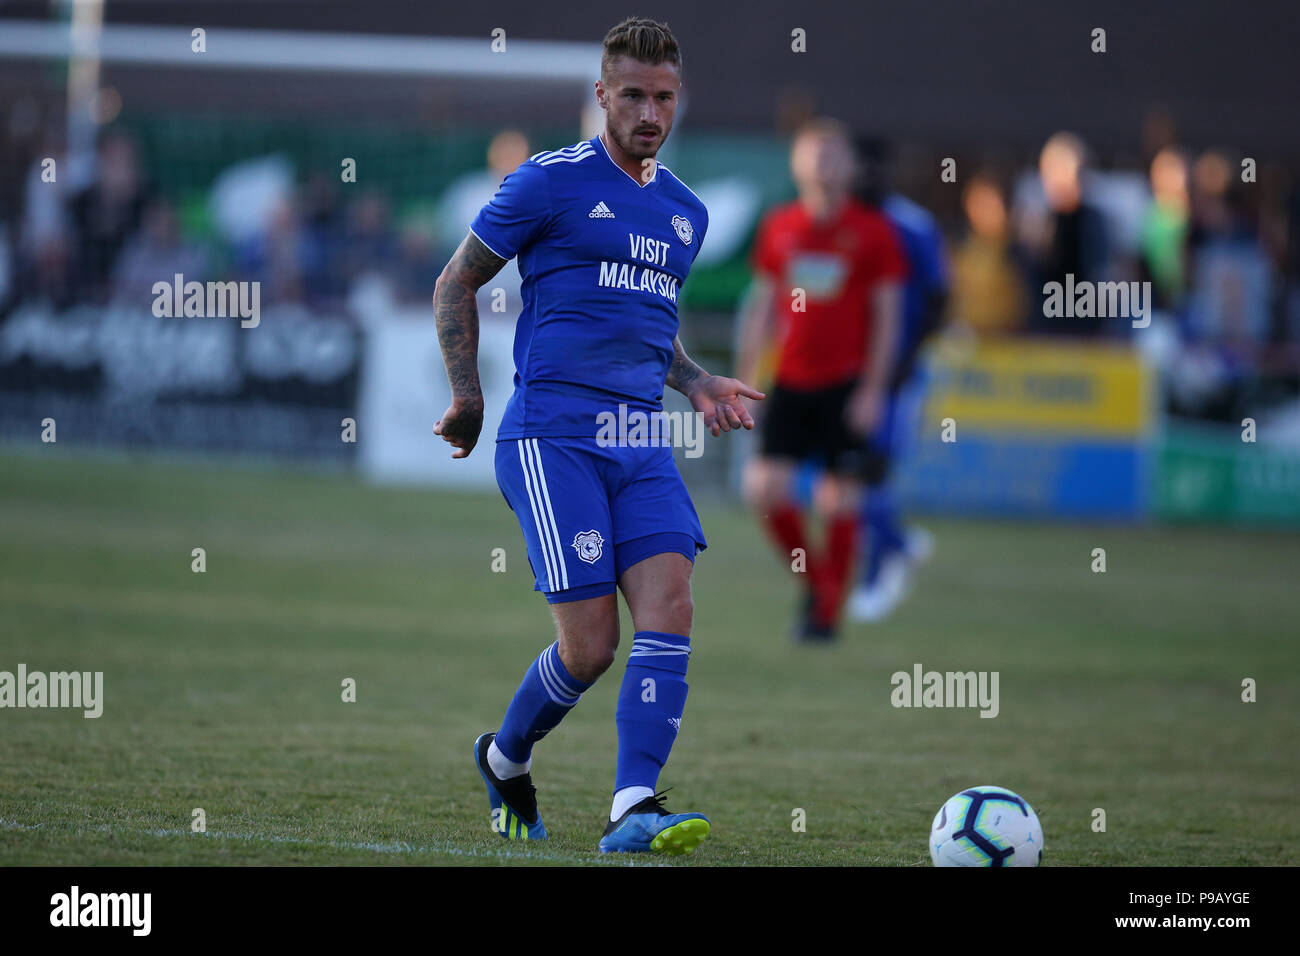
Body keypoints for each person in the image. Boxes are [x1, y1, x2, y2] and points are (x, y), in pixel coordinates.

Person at [432, 17, 762, 855]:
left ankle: (632, 807)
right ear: (601, 96)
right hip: (551, 439)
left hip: (639, 440)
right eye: (633, 96)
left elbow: (650, 327)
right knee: (590, 648)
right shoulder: (548, 183)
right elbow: (455, 283)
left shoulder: (687, 213)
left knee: (673, 605)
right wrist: (468, 399)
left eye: (664, 97)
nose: (650, 112)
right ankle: (505, 758)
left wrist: (695, 381)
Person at [736, 119, 904, 640]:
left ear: (851, 166)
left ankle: (824, 614)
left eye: (835, 154)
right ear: (796, 163)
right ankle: (822, 586)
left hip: (846, 385)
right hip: (790, 380)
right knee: (763, 488)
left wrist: (874, 390)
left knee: (839, 497)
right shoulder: (781, 226)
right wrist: (747, 377)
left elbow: (888, 316)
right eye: (815, 153)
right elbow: (762, 305)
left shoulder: (873, 232)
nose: (824, 163)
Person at [846, 141, 949, 622]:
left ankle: (878, 572)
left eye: (873, 167)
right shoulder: (839, 223)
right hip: (842, 369)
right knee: (847, 469)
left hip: (895, 371)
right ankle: (897, 542)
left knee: (869, 466)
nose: (865, 175)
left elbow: (938, 298)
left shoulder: (912, 225)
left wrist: (907, 358)